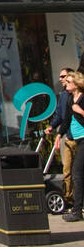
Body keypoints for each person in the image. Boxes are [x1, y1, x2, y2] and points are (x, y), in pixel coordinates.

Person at [47, 69, 75, 209]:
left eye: (63, 76)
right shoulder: (63, 96)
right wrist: (53, 127)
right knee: (67, 169)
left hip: (79, 137)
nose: (60, 79)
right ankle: (70, 200)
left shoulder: (78, 96)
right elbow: (61, 116)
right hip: (69, 137)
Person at [63, 72, 84, 222]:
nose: (65, 83)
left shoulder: (83, 99)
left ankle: (77, 210)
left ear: (76, 84)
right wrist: (58, 134)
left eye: (69, 81)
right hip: (77, 140)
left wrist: (80, 111)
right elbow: (66, 119)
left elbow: (78, 114)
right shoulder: (70, 99)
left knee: (76, 172)